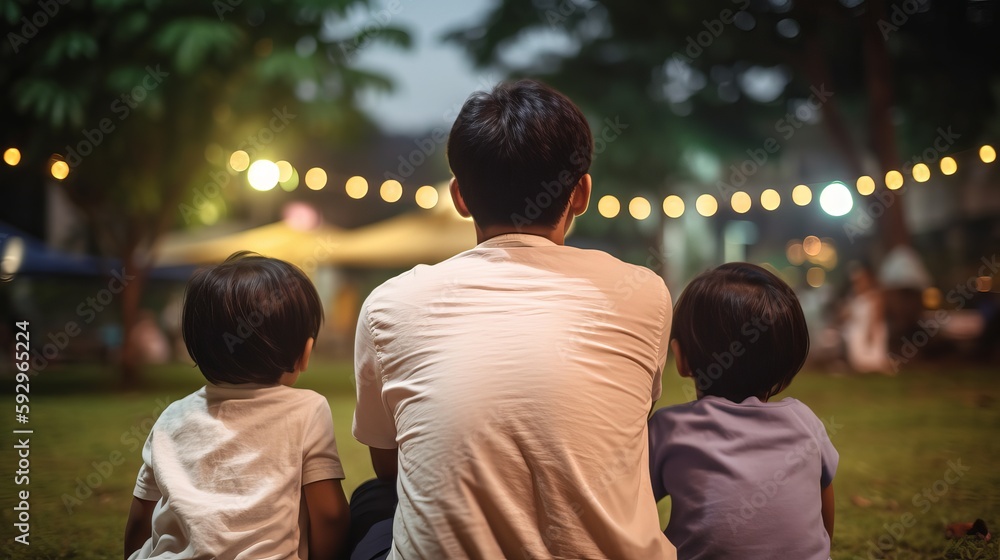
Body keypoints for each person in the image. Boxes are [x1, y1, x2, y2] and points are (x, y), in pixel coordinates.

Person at [351, 79, 676, 559]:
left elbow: (391, 462)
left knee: (373, 503)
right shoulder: (644, 293)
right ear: (581, 193)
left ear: (459, 197)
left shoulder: (389, 305)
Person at [123, 252, 349, 560]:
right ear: (305, 352)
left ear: (198, 348)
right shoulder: (307, 409)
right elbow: (331, 515)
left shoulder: (171, 416)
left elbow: (140, 519)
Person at [648, 263, 837, 560]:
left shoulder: (668, 429)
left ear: (681, 357)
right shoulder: (805, 421)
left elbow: (631, 509)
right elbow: (825, 517)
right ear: (788, 357)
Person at [842, 262, 892, 373]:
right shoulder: (855, 297)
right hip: (857, 331)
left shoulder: (875, 296)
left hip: (871, 328)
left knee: (873, 359)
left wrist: (870, 332)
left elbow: (878, 316)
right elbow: (847, 314)